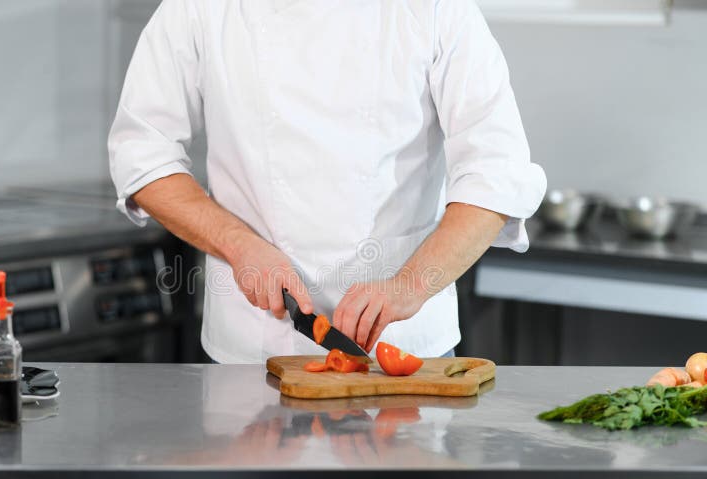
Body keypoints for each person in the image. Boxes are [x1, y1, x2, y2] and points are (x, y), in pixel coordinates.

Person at [108, 0, 546, 364]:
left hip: (405, 353)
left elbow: (496, 172)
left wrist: (409, 286)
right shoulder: (201, 9)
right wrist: (236, 244)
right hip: (254, 351)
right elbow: (142, 153)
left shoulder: (435, 10)